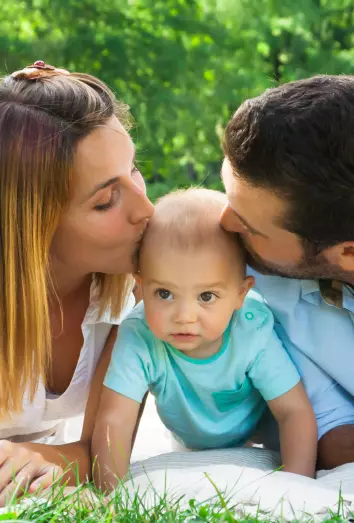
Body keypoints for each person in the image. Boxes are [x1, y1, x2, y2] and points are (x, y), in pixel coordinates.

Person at [0, 60, 154, 504]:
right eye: (107, 200)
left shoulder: (132, 298)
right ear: (29, 225)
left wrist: (44, 456)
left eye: (135, 169)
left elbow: (102, 452)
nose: (146, 207)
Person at [92, 188, 317, 490]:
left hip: (259, 429)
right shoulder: (139, 333)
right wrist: (109, 495)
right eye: (164, 293)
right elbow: (114, 420)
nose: (184, 315)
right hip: (187, 436)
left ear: (241, 293)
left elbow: (294, 412)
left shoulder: (251, 330)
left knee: (287, 438)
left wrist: (298, 487)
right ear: (142, 288)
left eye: (206, 296)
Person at [220, 74, 354, 470]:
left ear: (347, 252)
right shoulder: (256, 280)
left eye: (250, 226)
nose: (224, 222)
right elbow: (335, 438)